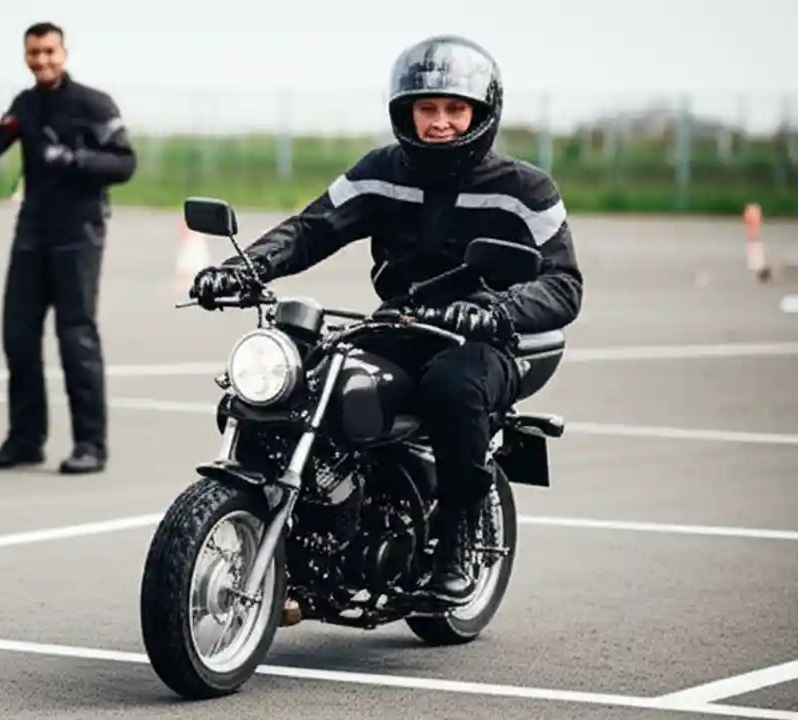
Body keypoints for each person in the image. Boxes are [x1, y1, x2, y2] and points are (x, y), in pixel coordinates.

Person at [188, 35, 584, 605]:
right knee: (299, 378)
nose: (441, 123)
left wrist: (495, 310)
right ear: (407, 112)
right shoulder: (382, 171)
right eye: (428, 109)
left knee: (452, 387)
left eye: (455, 109)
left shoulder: (525, 190)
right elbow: (312, 228)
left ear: (481, 112)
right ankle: (314, 518)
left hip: (486, 337)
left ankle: (456, 536)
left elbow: (563, 283)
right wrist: (242, 270)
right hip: (401, 324)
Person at [0, 21, 137, 475]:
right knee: (18, 335)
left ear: (64, 52)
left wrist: (76, 160)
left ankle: (91, 445)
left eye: (48, 51)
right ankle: (25, 440)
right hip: (32, 234)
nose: (41, 60)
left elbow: (125, 162)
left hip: (79, 234)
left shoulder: (93, 104)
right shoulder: (26, 104)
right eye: (33, 53)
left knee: (75, 337)